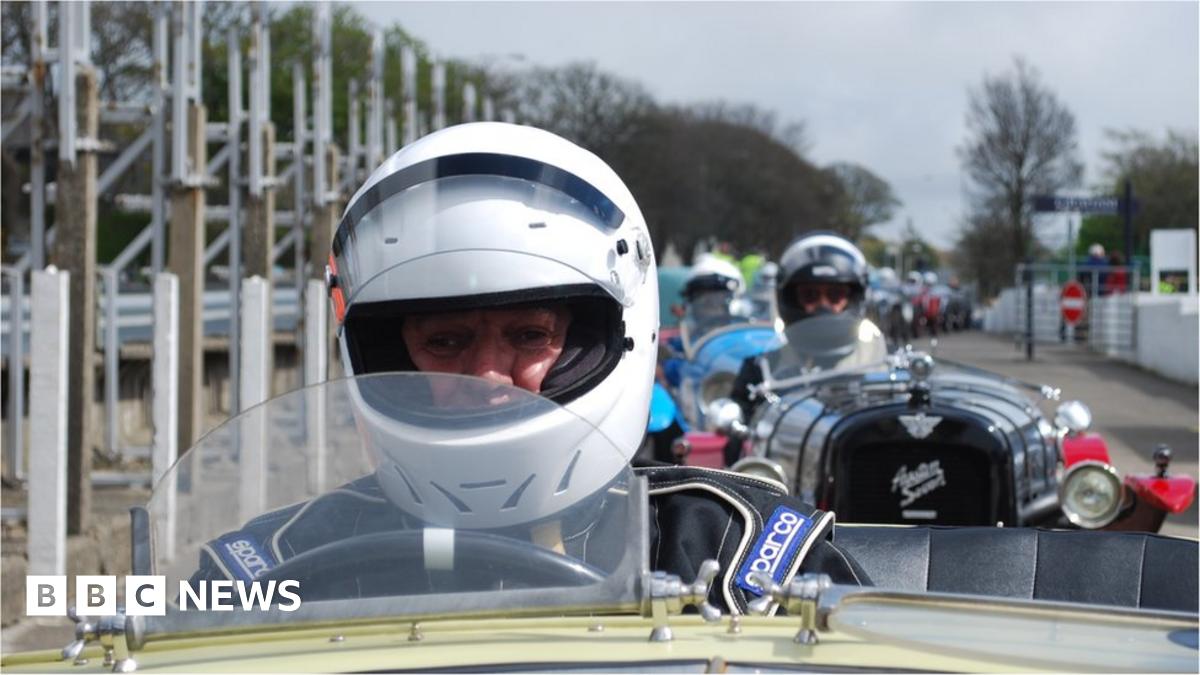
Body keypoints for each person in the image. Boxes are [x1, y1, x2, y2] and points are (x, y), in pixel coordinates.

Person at [191, 122, 868, 614]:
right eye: (447, 341)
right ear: (383, 352)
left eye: (528, 334)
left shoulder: (747, 552)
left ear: (609, 334)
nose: (487, 375)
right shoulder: (271, 565)